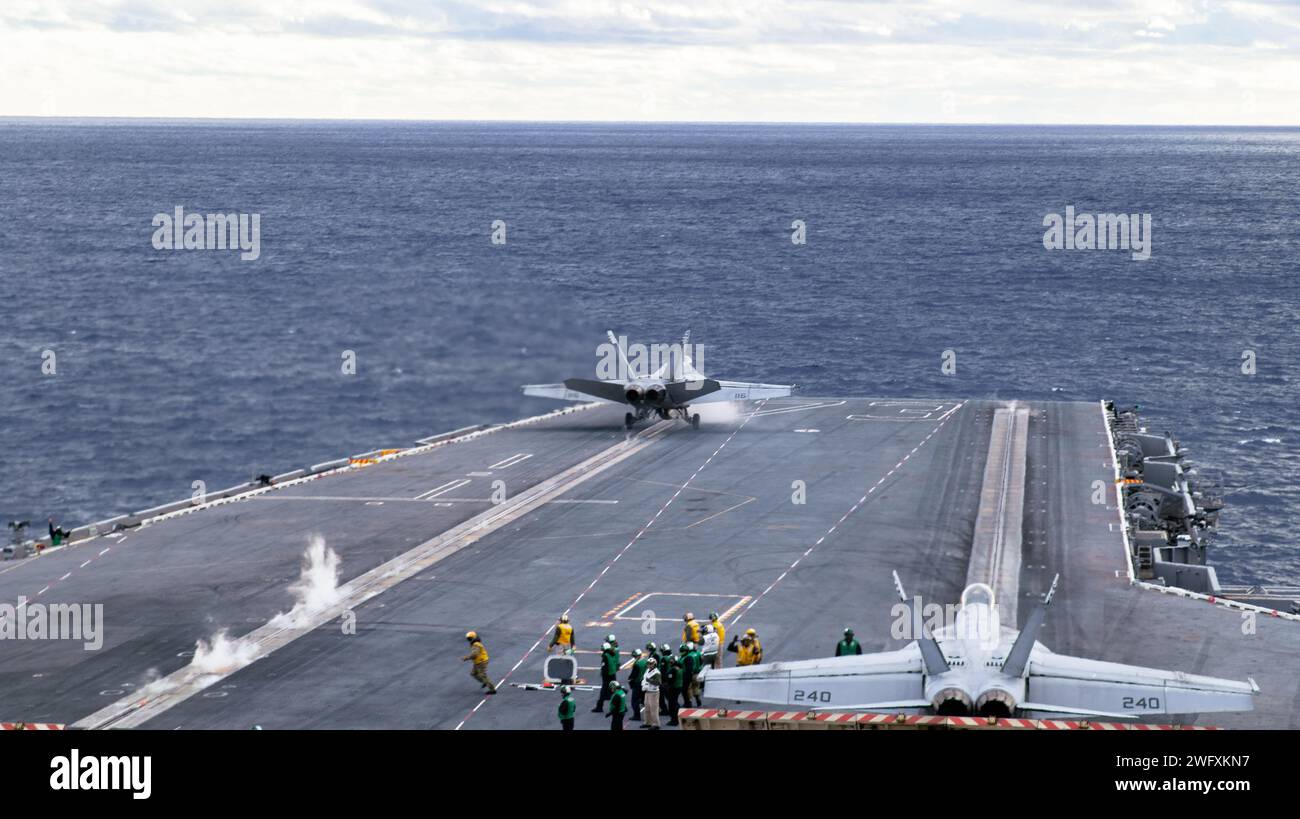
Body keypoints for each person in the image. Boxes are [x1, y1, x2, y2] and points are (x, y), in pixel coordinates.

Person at [593, 641, 619, 712]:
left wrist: (603, 674)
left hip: (607, 676)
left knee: (603, 692)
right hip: (613, 674)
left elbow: (604, 667)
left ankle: (599, 707)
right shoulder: (612, 654)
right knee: (615, 691)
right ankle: (622, 706)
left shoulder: (605, 656)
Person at [659, 642, 681, 725]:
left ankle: (670, 712)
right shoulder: (673, 656)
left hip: (666, 681)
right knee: (672, 699)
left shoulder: (664, 659)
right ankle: (677, 710)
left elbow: (663, 670)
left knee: (669, 699)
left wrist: (662, 681)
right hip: (674, 681)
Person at [640, 657, 661, 729]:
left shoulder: (656, 672)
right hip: (647, 691)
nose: (649, 665)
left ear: (654, 664)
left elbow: (658, 683)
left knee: (654, 709)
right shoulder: (647, 670)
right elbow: (644, 679)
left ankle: (656, 724)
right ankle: (648, 722)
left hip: (654, 692)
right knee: (647, 708)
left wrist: (649, 680)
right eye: (648, 664)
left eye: (650, 664)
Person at [681, 642, 704, 707]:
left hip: (691, 674)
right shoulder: (698, 653)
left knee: (689, 688)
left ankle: (689, 701)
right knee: (696, 687)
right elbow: (701, 661)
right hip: (698, 673)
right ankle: (698, 700)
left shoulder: (688, 656)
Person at [628, 648, 647, 722]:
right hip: (644, 682)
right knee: (644, 699)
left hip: (638, 683)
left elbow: (633, 675)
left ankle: (636, 715)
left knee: (634, 700)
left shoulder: (637, 664)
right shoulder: (645, 661)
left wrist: (630, 680)